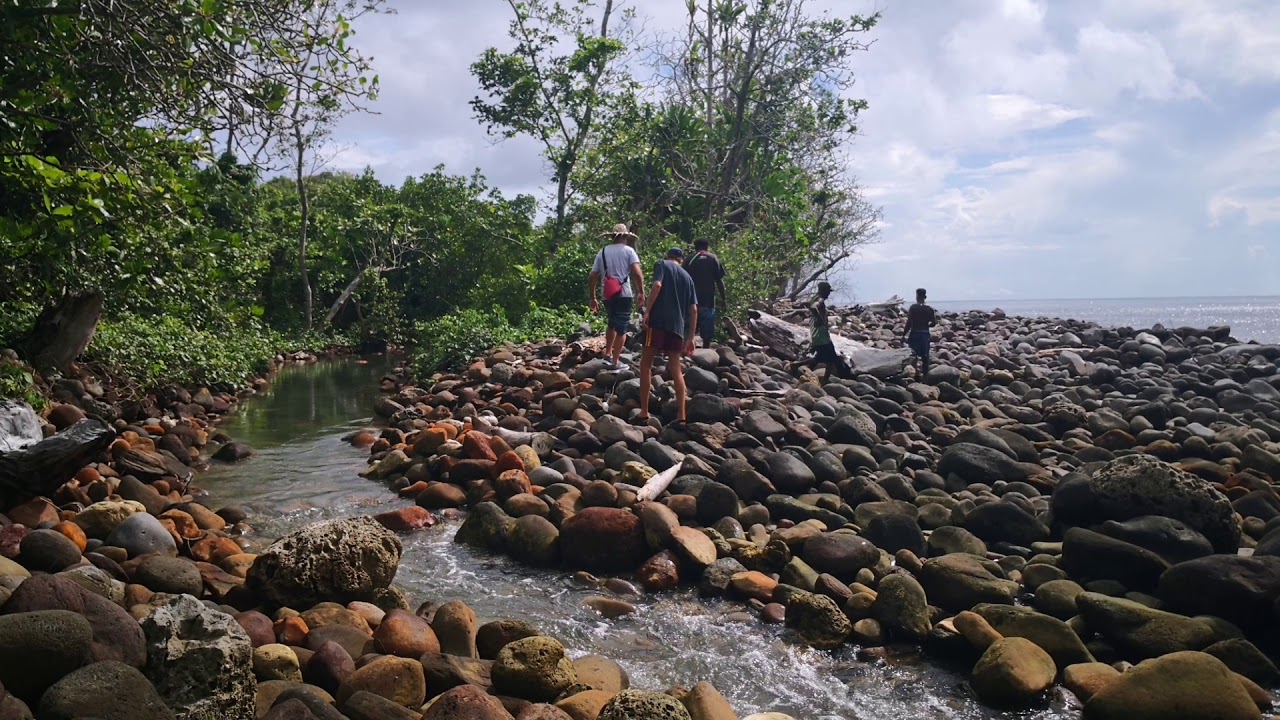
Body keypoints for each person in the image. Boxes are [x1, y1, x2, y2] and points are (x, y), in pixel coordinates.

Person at [637, 247, 698, 424]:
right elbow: (694, 310)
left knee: (646, 365)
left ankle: (644, 411)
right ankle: (682, 415)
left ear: (668, 257)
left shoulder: (661, 265)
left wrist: (647, 311)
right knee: (676, 369)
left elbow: (657, 285)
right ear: (681, 260)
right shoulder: (688, 278)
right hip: (677, 328)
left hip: (658, 322)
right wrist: (691, 337)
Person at [588, 223, 645, 367]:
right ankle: (615, 361)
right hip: (624, 293)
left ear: (612, 237)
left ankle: (608, 353)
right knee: (622, 328)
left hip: (607, 293)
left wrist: (592, 297)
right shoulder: (629, 251)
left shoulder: (602, 252)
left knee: (612, 323)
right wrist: (641, 292)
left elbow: (592, 276)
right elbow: (637, 273)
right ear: (626, 236)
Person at [795, 281, 851, 381]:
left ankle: (797, 365)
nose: (829, 294)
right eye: (828, 291)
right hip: (821, 333)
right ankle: (825, 381)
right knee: (831, 357)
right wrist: (820, 319)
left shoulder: (814, 298)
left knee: (821, 357)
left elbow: (808, 305)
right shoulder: (820, 299)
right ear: (823, 290)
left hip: (816, 332)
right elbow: (813, 307)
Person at [685, 238, 727, 347]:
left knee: (690, 328)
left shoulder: (689, 259)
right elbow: (719, 281)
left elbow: (682, 279)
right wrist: (723, 299)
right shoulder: (713, 258)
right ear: (707, 247)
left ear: (695, 247)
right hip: (708, 300)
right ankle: (706, 350)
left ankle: (687, 351)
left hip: (691, 300)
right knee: (707, 331)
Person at [903, 287, 937, 376]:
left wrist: (903, 334)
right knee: (925, 356)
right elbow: (934, 323)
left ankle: (915, 374)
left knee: (913, 355)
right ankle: (925, 376)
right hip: (925, 334)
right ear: (925, 297)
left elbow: (909, 322)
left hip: (915, 333)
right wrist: (927, 325)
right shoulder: (929, 309)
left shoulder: (913, 308)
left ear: (917, 296)